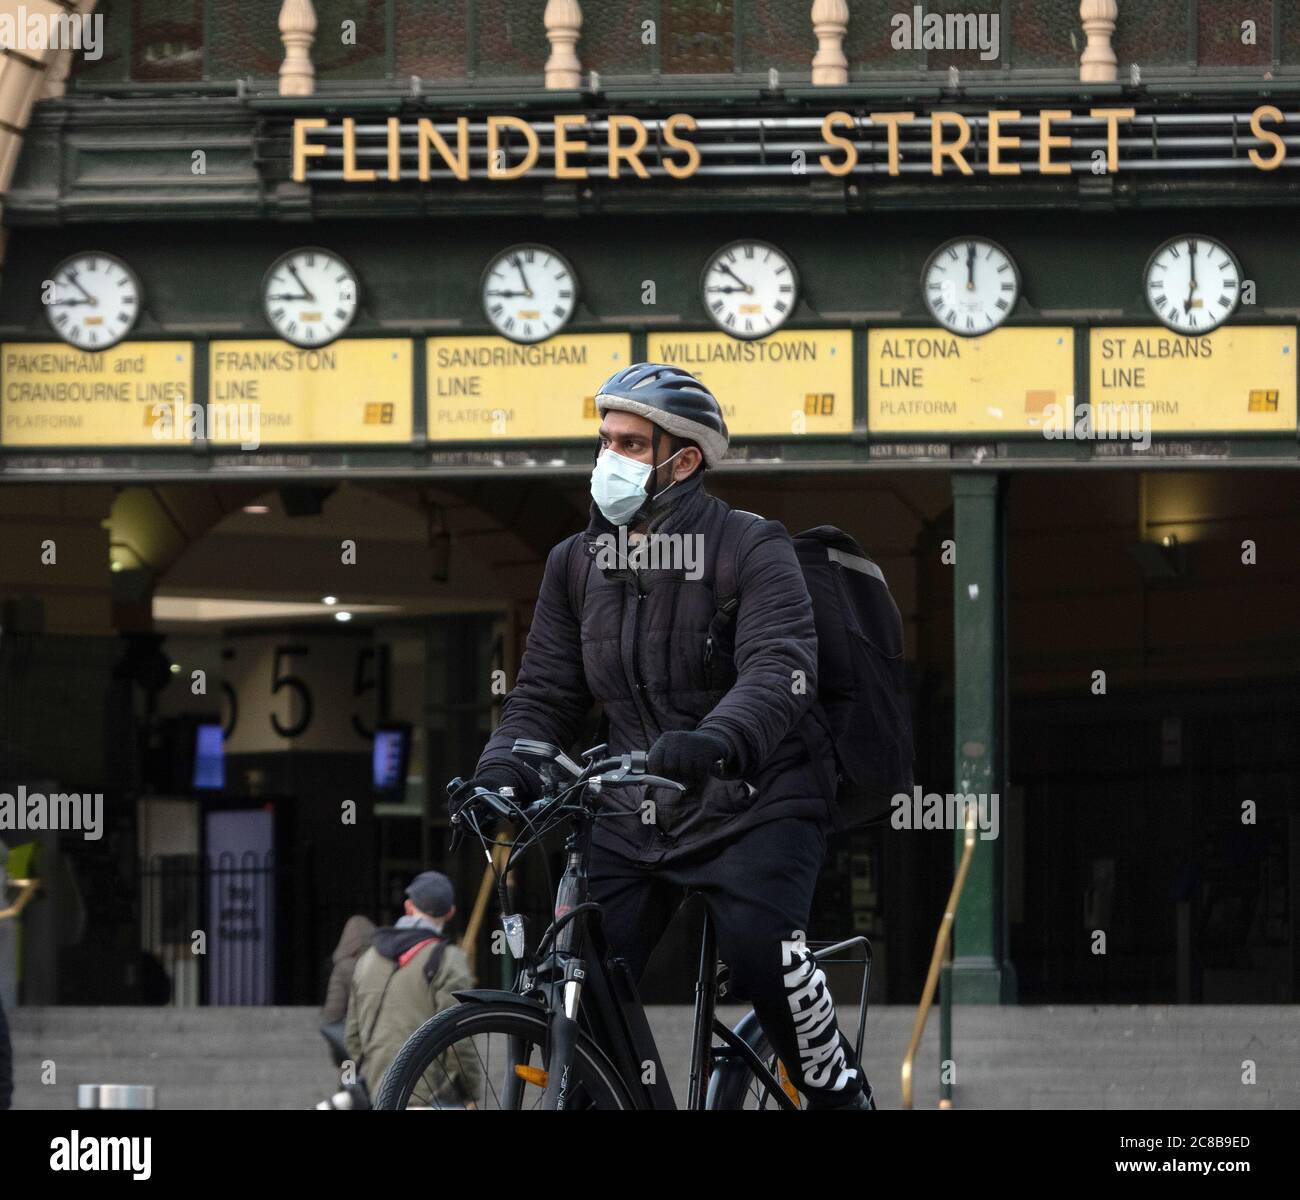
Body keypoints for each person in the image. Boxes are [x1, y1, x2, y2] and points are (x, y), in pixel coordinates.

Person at [458, 362, 873, 1109]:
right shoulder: (574, 565)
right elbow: (545, 695)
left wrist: (716, 740)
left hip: (755, 795)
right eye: (603, 440)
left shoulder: (751, 545)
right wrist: (500, 771)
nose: (606, 458)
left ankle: (838, 1091)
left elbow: (781, 668)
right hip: (631, 804)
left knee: (760, 954)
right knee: (575, 975)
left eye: (628, 443)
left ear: (682, 462)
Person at [344, 871, 479, 1105]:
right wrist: (468, 1089)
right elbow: (458, 1035)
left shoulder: (367, 959)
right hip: (429, 1097)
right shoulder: (449, 960)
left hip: (379, 1095)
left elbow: (353, 1039)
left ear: (408, 907)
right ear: (450, 912)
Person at [316, 914, 375, 1109]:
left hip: (348, 1052)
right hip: (378, 1044)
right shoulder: (381, 964)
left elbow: (332, 1015)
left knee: (350, 1094)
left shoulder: (343, 967)